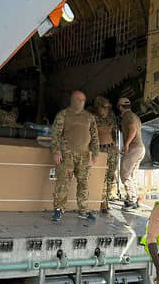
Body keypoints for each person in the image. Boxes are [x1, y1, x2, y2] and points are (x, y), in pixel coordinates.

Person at [49, 91, 98, 222]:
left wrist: (95, 153)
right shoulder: (63, 115)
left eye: (83, 100)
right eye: (78, 99)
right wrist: (56, 151)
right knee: (63, 182)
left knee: (83, 183)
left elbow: (94, 136)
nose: (81, 102)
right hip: (67, 154)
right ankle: (58, 209)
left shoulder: (89, 117)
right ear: (72, 100)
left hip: (84, 155)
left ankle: (83, 210)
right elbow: (56, 134)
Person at [93, 96, 119, 213]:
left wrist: (115, 144)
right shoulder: (91, 117)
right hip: (99, 150)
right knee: (100, 176)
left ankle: (106, 201)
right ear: (98, 106)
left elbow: (115, 131)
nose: (106, 109)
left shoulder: (111, 116)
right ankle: (100, 202)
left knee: (110, 176)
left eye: (108, 107)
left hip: (111, 150)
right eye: (104, 107)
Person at [118, 98, 145, 209]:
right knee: (132, 176)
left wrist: (126, 144)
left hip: (133, 148)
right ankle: (134, 198)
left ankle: (131, 200)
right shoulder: (135, 116)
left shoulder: (127, 116)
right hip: (140, 148)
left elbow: (133, 129)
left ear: (120, 106)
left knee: (125, 174)